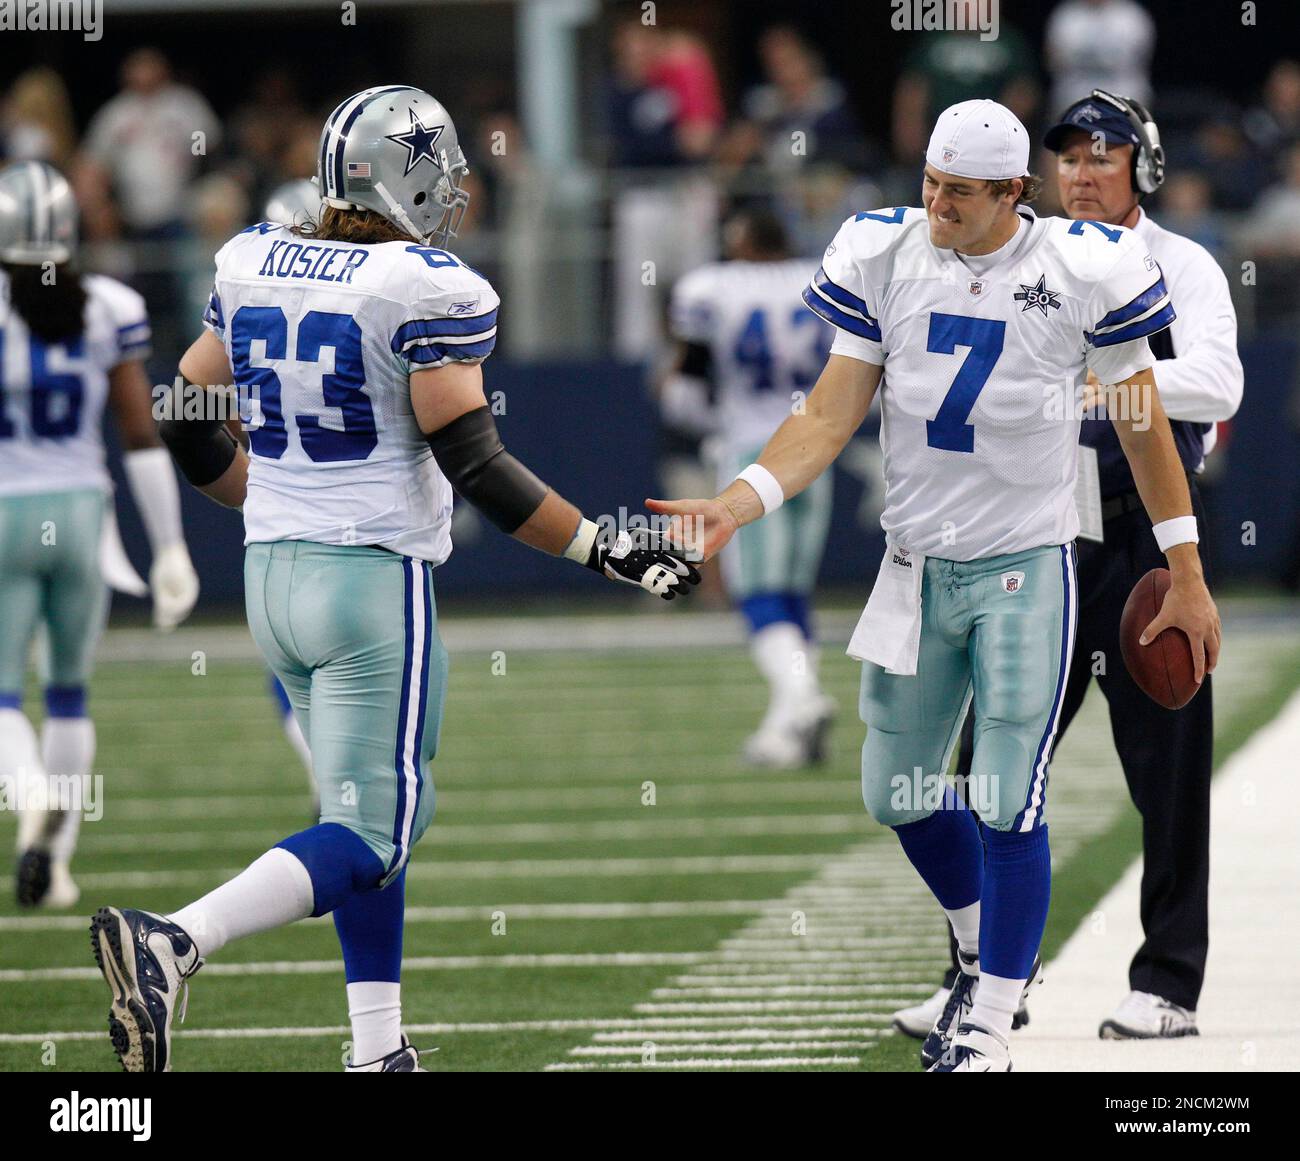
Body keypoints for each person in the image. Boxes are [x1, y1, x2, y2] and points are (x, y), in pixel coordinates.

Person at [89, 85, 699, 1074]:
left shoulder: (255, 259)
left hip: (272, 581)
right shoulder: (423, 287)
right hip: (367, 587)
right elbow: (482, 473)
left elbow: (184, 410)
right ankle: (178, 940)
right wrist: (608, 548)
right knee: (376, 832)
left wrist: (273, 495)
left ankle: (378, 1049)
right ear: (405, 175)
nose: (455, 187)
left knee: (359, 819)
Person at [650, 99, 1220, 1071]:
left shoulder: (1081, 268)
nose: (935, 203)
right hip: (912, 567)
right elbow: (828, 414)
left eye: (957, 190)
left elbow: (1141, 424)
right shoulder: (886, 253)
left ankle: (992, 1024)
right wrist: (736, 504)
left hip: (1023, 570)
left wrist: (1187, 571)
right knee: (899, 791)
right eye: (928, 181)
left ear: (1010, 193)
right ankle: (971, 950)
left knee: (1006, 796)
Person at [894, 90, 1244, 1047]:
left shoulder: (1182, 264)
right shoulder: (1026, 255)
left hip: (1143, 532)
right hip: (1036, 528)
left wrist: (1099, 378)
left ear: (1145, 166)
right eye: (1071, 157)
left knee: (1166, 765)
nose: (1084, 172)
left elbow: (1217, 380)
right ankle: (979, 976)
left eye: (1105, 155)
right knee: (984, 769)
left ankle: (1168, 978)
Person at [0, 161, 200, 909]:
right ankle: (51, 863)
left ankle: (30, 799)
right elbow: (138, 430)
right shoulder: (108, 303)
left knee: (1, 695)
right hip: (83, 510)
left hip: (3, 509)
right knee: (70, 694)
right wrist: (171, 544)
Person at [666, 206, 835, 767]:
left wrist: (710, 423)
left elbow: (685, 391)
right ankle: (786, 727)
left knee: (759, 596)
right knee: (791, 593)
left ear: (743, 242)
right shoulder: (823, 279)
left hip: (752, 457)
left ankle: (802, 698)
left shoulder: (712, 287)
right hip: (816, 449)